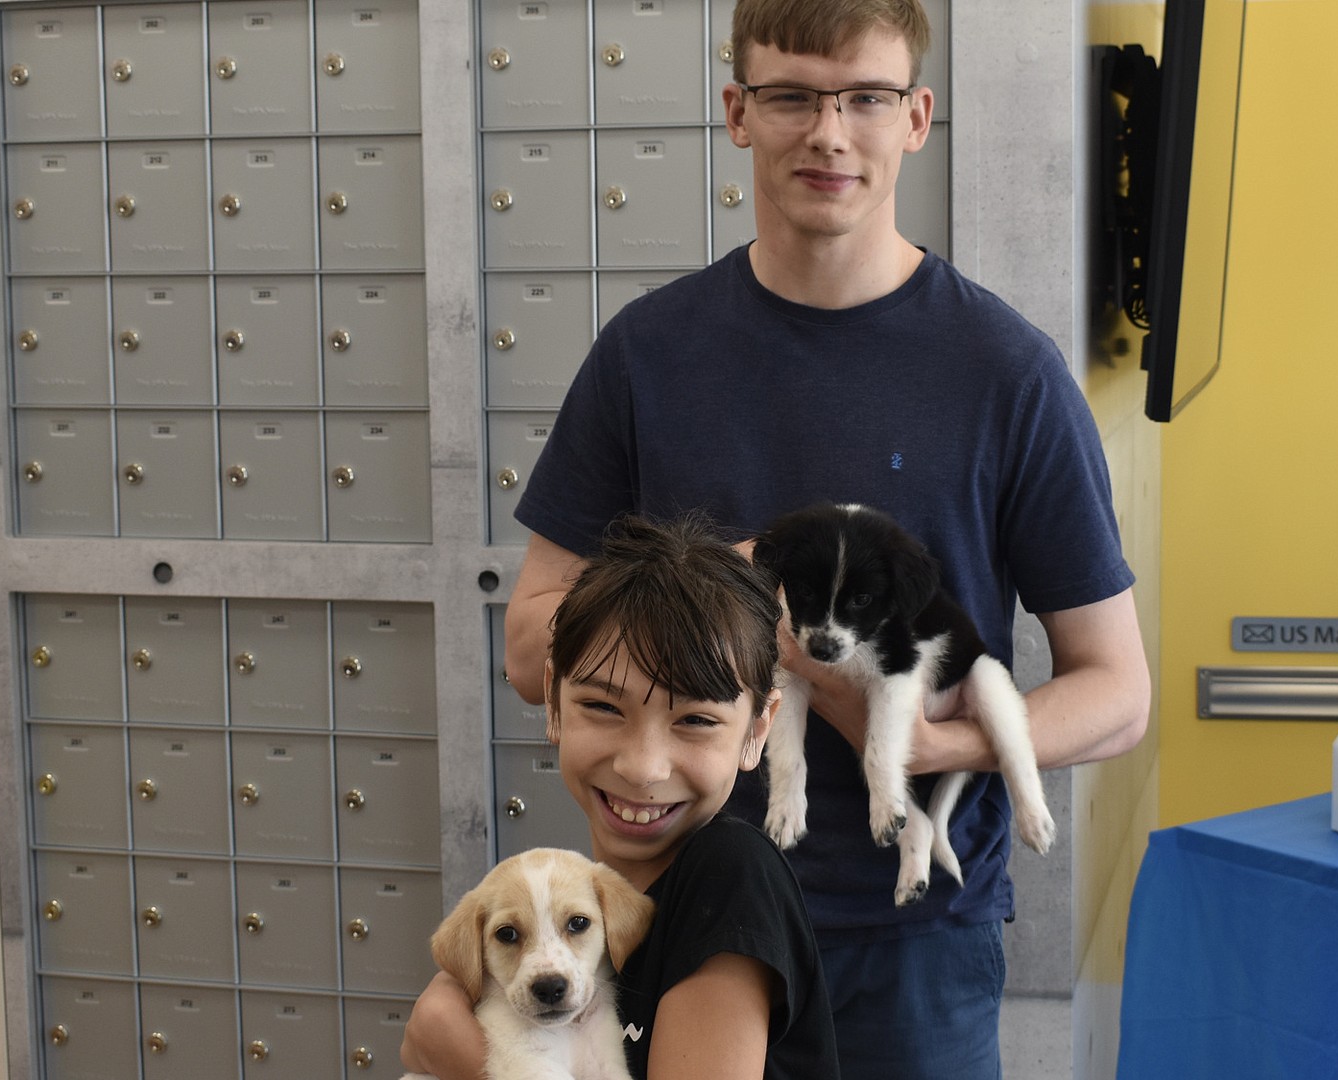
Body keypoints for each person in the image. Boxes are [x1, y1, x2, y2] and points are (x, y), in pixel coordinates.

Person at [491, 0, 1151, 1075]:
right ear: (738, 112)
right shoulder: (646, 356)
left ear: (917, 116)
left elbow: (1117, 692)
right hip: (682, 913)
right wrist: (740, 592)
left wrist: (927, 745)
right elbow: (531, 650)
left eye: (866, 99)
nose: (829, 133)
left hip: (916, 943)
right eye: (793, 95)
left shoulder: (1008, 373)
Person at [402, 515, 839, 1080]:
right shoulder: (579, 889)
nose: (643, 766)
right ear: (554, 704)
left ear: (758, 729)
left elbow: (446, 1035)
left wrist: (473, 1062)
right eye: (604, 707)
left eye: (697, 719)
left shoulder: (730, 876)